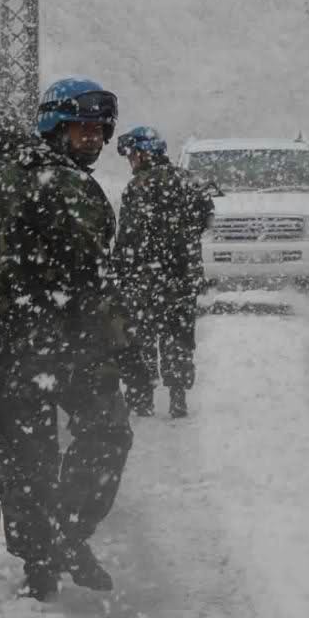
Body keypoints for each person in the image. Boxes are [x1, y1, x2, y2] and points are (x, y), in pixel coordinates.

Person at [0, 79, 134, 600]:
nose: (94, 141)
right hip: (56, 340)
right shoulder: (64, 184)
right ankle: (64, 536)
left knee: (28, 453)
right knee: (99, 435)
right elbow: (87, 276)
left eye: (99, 132)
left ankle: (42, 557)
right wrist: (115, 336)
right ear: (52, 127)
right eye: (83, 129)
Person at [113, 126, 214, 418]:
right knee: (178, 336)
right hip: (182, 278)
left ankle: (142, 399)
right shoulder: (188, 181)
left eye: (132, 155)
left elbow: (127, 236)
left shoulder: (137, 188)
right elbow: (204, 221)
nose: (131, 161)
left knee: (143, 338)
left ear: (146, 154)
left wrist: (119, 268)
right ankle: (178, 395)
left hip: (145, 279)